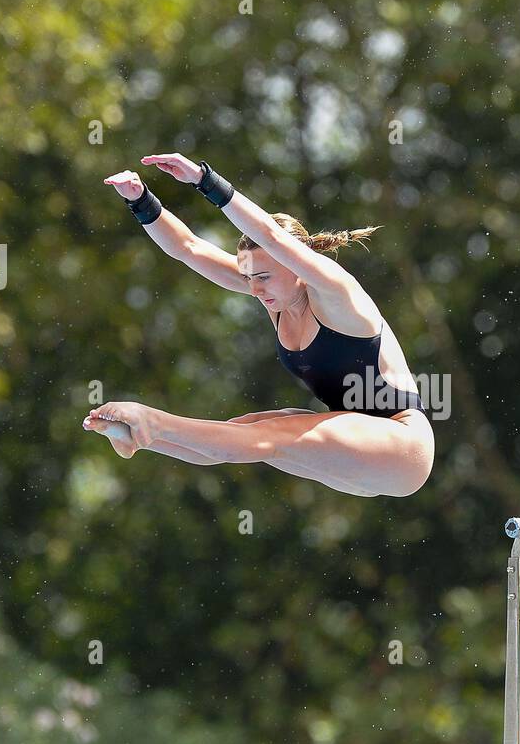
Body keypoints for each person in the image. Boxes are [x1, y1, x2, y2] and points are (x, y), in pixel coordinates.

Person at [86, 152, 433, 498]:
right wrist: (141, 201)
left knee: (269, 436)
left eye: (263, 276)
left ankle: (153, 421)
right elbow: (188, 248)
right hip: (356, 450)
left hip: (401, 445)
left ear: (296, 264)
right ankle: (140, 437)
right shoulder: (274, 296)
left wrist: (204, 180)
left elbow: (271, 235)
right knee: (247, 428)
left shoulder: (336, 291)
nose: (253, 288)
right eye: (249, 276)